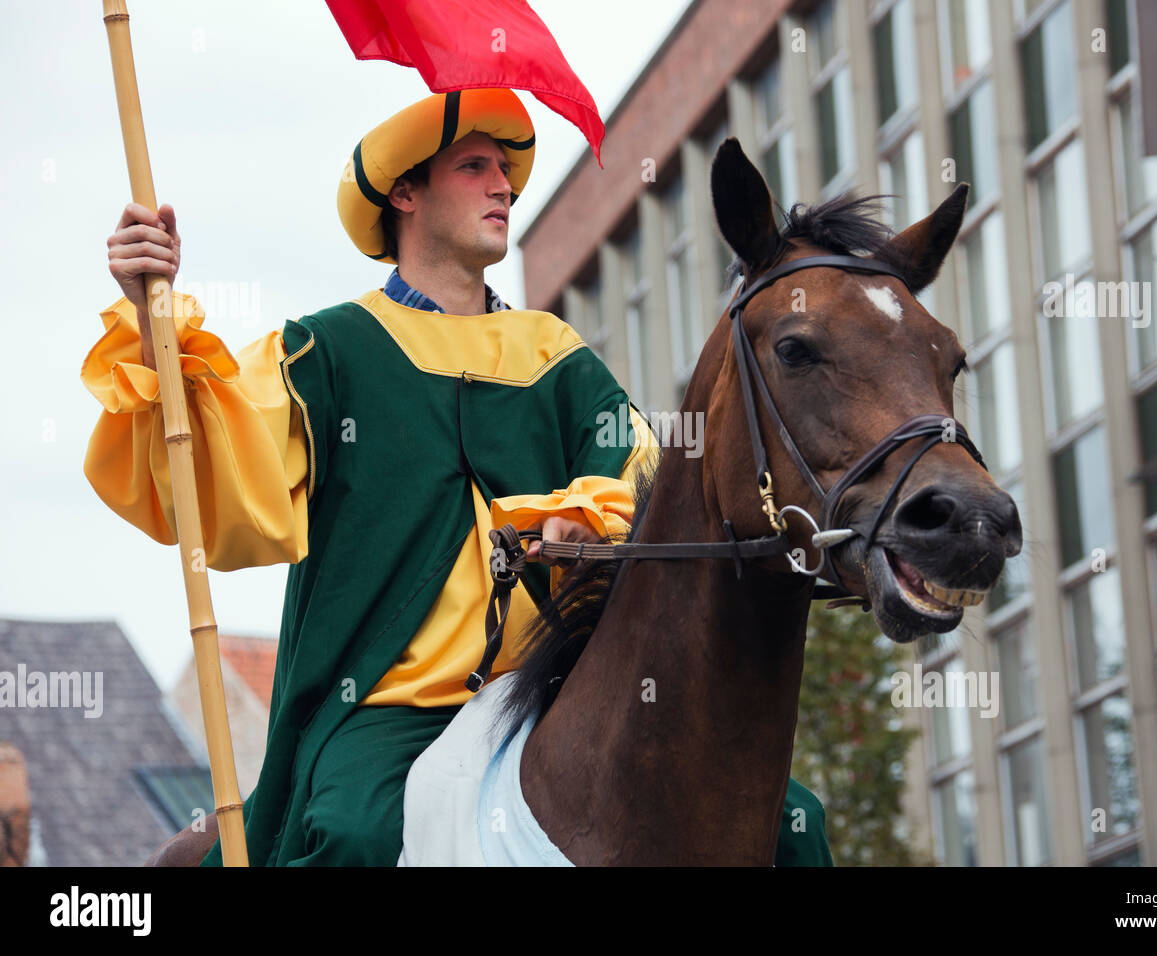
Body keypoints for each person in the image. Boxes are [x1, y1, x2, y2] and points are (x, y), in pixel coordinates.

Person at [83, 88, 832, 866]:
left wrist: (587, 517)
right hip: (389, 705)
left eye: (505, 172)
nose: (503, 185)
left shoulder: (554, 351)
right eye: (475, 167)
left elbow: (648, 475)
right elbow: (214, 461)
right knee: (357, 838)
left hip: (553, 689)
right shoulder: (331, 348)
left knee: (787, 822)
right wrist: (152, 320)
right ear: (405, 192)